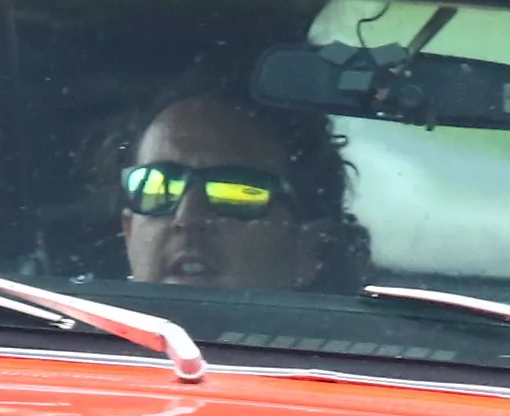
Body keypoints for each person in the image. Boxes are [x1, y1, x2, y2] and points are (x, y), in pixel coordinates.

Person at [118, 84, 366, 291]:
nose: (188, 217)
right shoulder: (80, 340)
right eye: (159, 187)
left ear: (309, 249)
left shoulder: (365, 348)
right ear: (129, 233)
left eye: (234, 192)